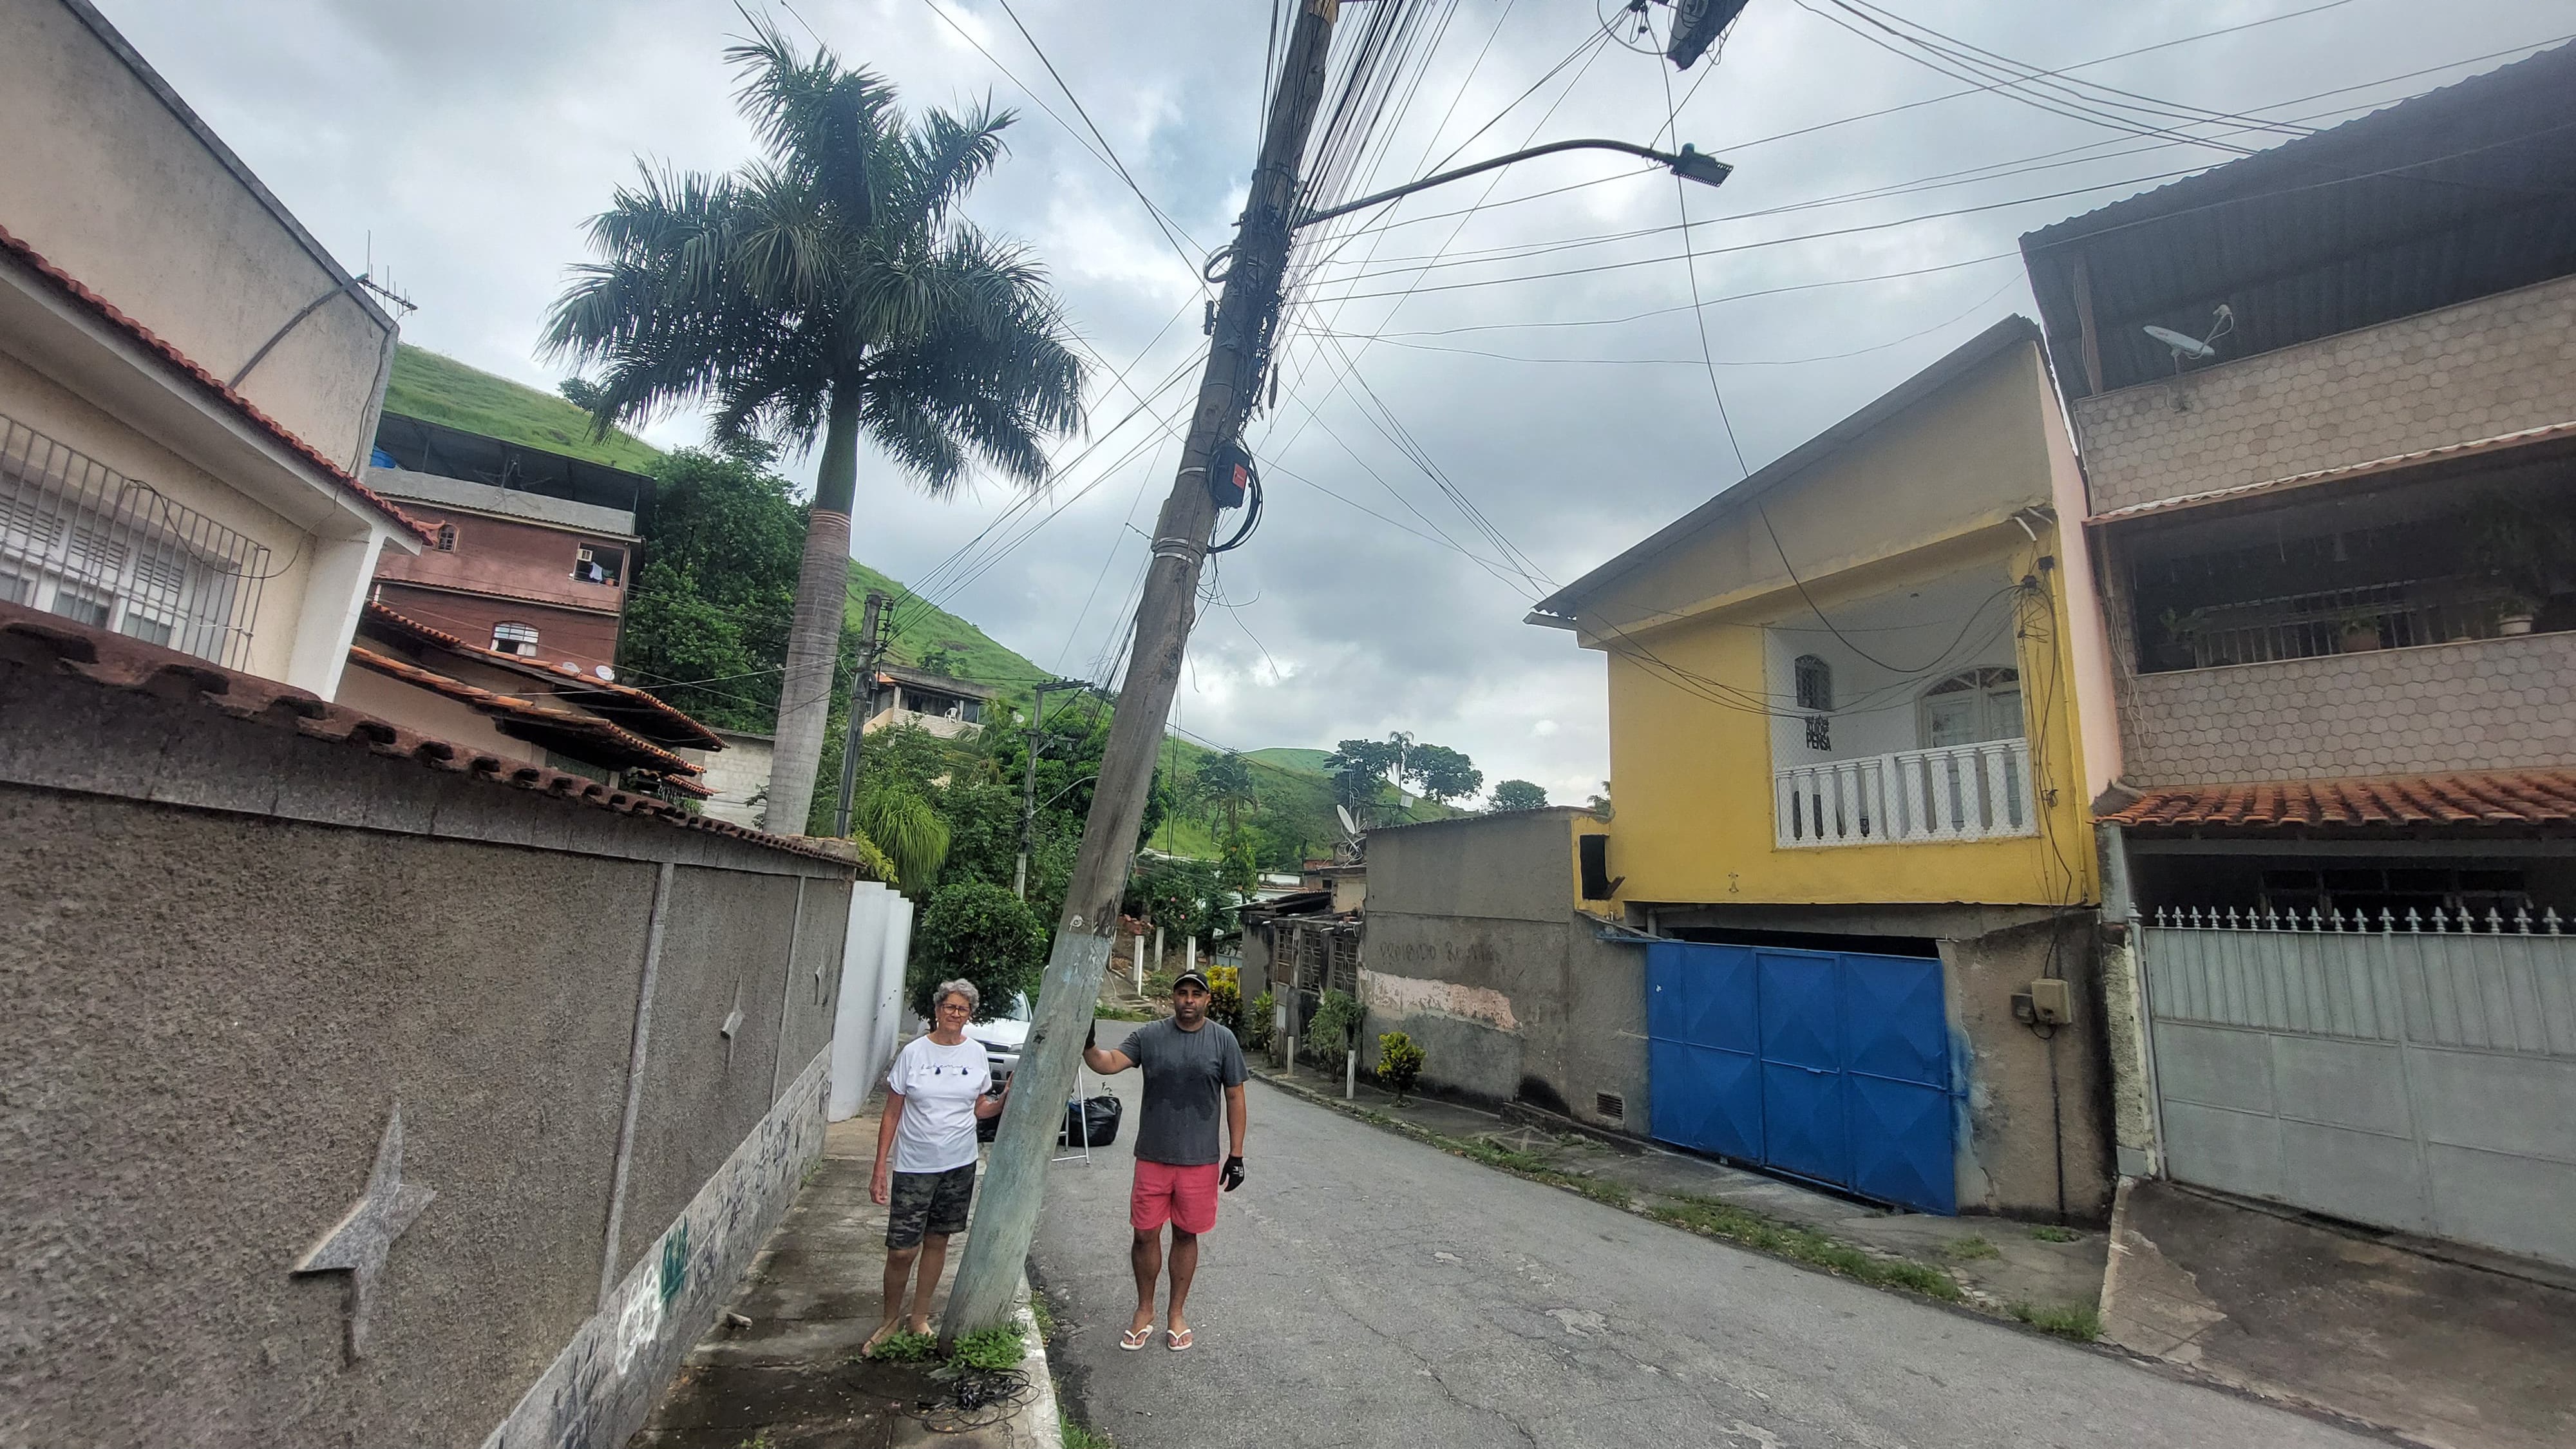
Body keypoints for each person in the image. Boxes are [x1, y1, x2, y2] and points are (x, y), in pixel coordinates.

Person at [1083, 968, 1247, 1352]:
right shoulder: (1150, 1036)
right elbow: (1107, 1063)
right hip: (1153, 1156)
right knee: (1144, 1234)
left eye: (1196, 994)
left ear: (1208, 1000)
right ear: (1172, 998)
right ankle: (1145, 1310)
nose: (1188, 1000)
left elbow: (1236, 1098)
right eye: (1182, 993)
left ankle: (1176, 1313)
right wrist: (1088, 1043)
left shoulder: (1223, 1041)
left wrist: (1236, 1155)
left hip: (1199, 1160)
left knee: (1186, 1234)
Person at [867, 978, 1009, 1353]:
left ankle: (919, 1318)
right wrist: (880, 1167)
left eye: (962, 1009)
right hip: (915, 1166)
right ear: (937, 1011)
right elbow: (892, 1112)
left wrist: (1003, 1101)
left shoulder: (976, 1054)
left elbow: (980, 1107)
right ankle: (889, 1320)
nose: (955, 1014)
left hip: (959, 1165)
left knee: (937, 1241)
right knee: (902, 1249)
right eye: (949, 1007)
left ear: (970, 1016)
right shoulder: (914, 1054)